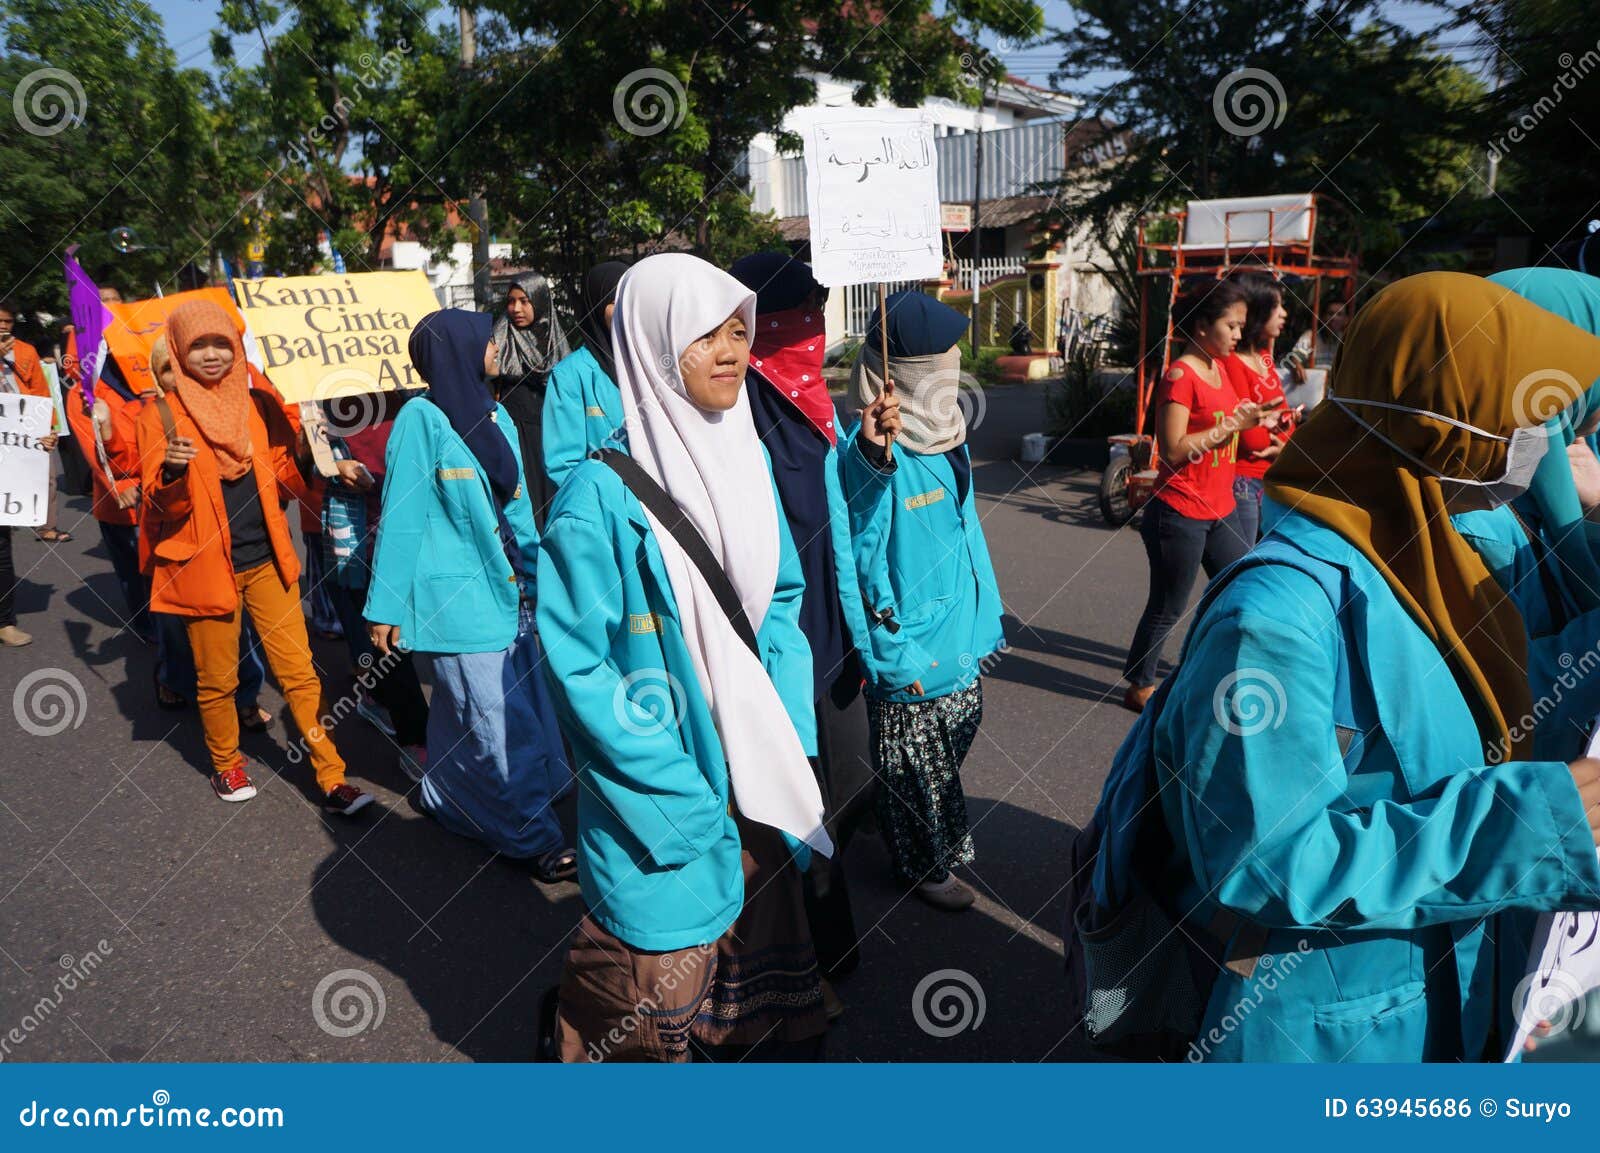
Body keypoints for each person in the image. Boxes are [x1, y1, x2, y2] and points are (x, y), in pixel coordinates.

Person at [1141, 272, 1600, 1061]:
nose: (1542, 443)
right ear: (1445, 425)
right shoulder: (1275, 616)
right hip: (1321, 1037)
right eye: (1522, 418)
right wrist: (1527, 822)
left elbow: (1497, 710)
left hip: (1438, 1000)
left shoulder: (1432, 557)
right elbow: (1265, 861)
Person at [538, 253, 829, 1061]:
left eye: (739, 328)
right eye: (704, 334)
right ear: (651, 343)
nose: (731, 348)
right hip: (666, 813)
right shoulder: (596, 497)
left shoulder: (747, 456)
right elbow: (580, 671)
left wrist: (786, 738)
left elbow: (782, 602)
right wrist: (684, 804)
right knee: (653, 1013)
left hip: (756, 793)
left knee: (756, 1016)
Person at [134, 300, 369, 813]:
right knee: (217, 680)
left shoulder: (258, 403)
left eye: (223, 343)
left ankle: (333, 777)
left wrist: (310, 454)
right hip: (204, 569)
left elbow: (284, 479)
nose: (214, 354)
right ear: (178, 350)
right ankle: (226, 765)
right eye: (200, 346)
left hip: (268, 562)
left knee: (300, 674)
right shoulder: (160, 415)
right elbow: (154, 509)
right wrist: (171, 473)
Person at [365, 310, 574, 877]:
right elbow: (402, 516)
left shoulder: (496, 413)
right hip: (457, 604)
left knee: (481, 716)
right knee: (501, 721)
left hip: (515, 594)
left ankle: (444, 797)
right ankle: (532, 835)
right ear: (457, 349)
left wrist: (541, 576)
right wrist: (385, 605)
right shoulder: (421, 419)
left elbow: (520, 509)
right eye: (488, 340)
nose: (498, 346)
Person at [731, 250, 873, 982]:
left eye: (820, 309)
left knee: (850, 785)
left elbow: (839, 511)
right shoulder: (741, 407)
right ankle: (803, 963)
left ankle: (812, 948)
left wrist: (870, 454)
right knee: (799, 802)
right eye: (800, 310)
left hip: (836, 629)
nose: (815, 325)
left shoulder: (812, 395)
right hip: (781, 642)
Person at [841, 290, 1004, 912]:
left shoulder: (949, 431)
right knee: (920, 764)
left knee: (955, 735)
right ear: (897, 373)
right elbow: (860, 537)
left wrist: (986, 615)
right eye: (937, 355)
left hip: (962, 626)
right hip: (910, 638)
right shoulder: (872, 446)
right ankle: (922, 863)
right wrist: (873, 453)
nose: (953, 360)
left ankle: (902, 821)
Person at [1121, 278, 1280, 713]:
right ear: (1202, 326)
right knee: (1169, 604)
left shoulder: (1218, 368)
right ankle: (1139, 682)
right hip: (1180, 509)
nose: (1238, 334)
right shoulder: (1181, 374)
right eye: (1231, 325)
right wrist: (1231, 426)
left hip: (1222, 506)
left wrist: (1257, 417)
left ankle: (1209, 666)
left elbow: (1227, 419)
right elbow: (1172, 448)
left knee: (1240, 588)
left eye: (1240, 325)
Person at [319, 390, 431, 777]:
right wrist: (335, 466)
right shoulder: (318, 391)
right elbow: (309, 455)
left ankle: (377, 693)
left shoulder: (411, 388)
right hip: (360, 524)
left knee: (420, 623)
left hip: (414, 515)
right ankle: (416, 739)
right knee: (386, 631)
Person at [1224, 275, 1301, 543]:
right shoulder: (1233, 363)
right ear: (1258, 311)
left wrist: (1278, 427)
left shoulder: (1265, 359)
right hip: (1243, 484)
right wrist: (1279, 427)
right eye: (1277, 306)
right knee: (1242, 569)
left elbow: (1287, 421)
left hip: (1271, 480)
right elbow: (1252, 440)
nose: (1284, 313)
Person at [490, 274, 569, 525]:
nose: (516, 309)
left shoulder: (555, 341)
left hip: (551, 436)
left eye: (524, 301)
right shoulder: (498, 339)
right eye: (511, 301)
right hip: (514, 434)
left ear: (539, 300)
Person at [542, 261, 628, 489]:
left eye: (629, 299)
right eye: (613, 301)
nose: (623, 308)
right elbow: (564, 466)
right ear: (597, 307)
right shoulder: (570, 375)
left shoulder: (654, 364)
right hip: (611, 509)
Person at [0, 298, 69, 546]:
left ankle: (46, 526)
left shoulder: (25, 350)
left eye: (7, 321)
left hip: (27, 422)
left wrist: (48, 425)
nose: (3, 325)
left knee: (44, 475)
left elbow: (40, 390)